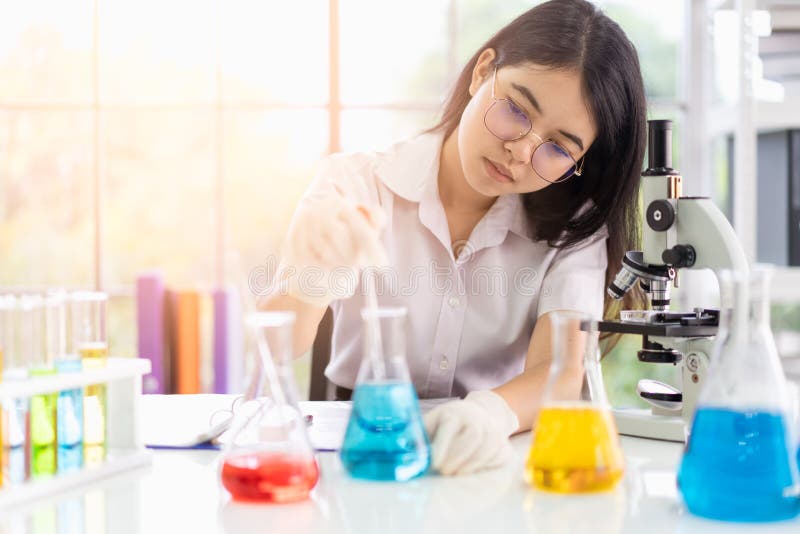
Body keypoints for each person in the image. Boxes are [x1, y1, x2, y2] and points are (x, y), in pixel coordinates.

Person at [259, 0, 646, 476]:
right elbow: (278, 345)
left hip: (490, 449)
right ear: (483, 70)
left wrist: (489, 414)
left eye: (558, 148)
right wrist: (310, 276)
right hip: (361, 445)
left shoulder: (575, 227)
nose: (520, 152)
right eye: (516, 110)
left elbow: (563, 368)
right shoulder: (355, 183)